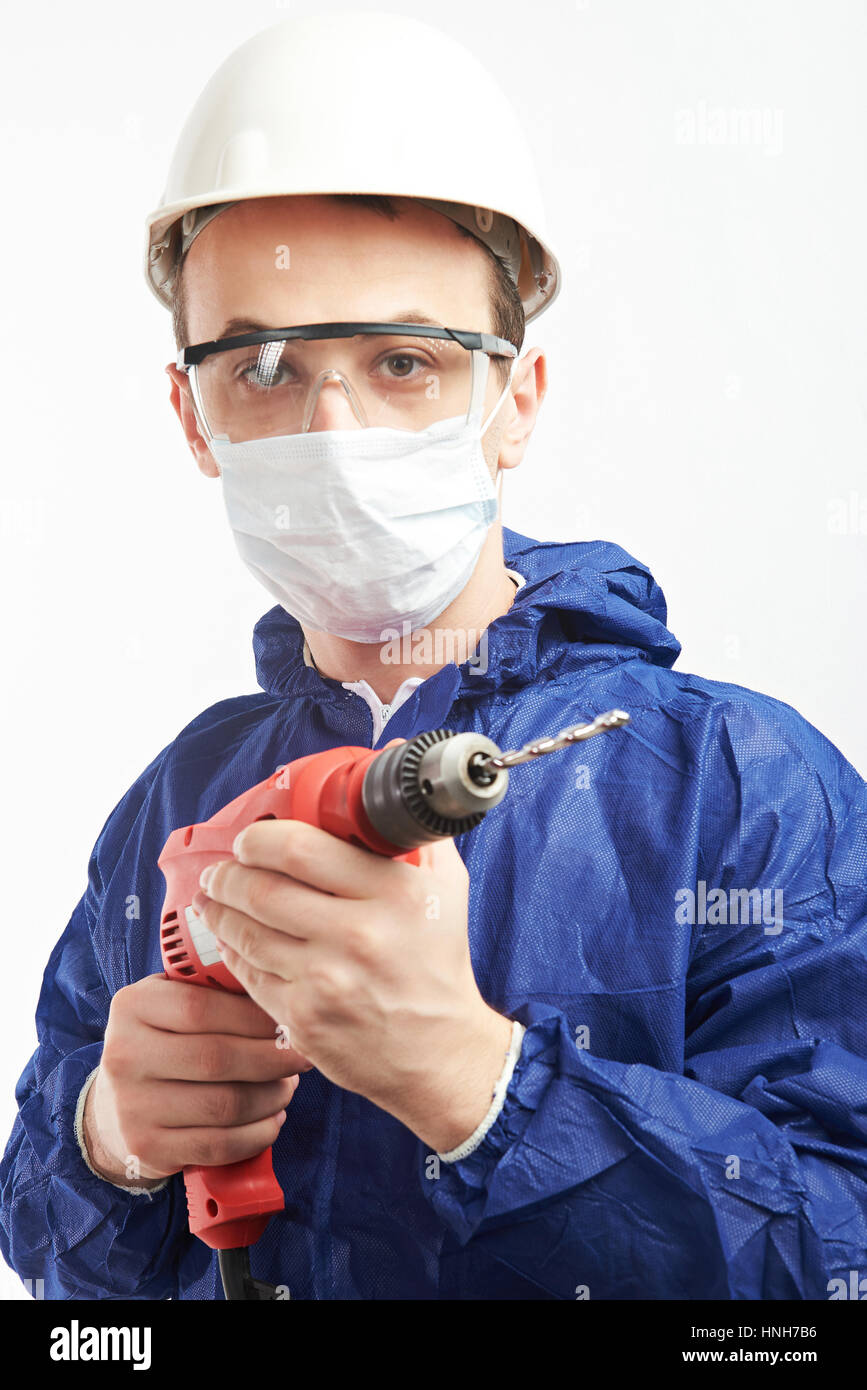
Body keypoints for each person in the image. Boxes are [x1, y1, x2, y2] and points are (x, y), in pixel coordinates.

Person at [2, 12, 866, 1302]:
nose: (331, 426)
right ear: (193, 415)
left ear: (513, 402)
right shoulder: (176, 798)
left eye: (405, 360)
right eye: (264, 366)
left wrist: (477, 1083)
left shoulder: (742, 786)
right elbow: (69, 1291)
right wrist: (109, 1147)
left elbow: (832, 1273)